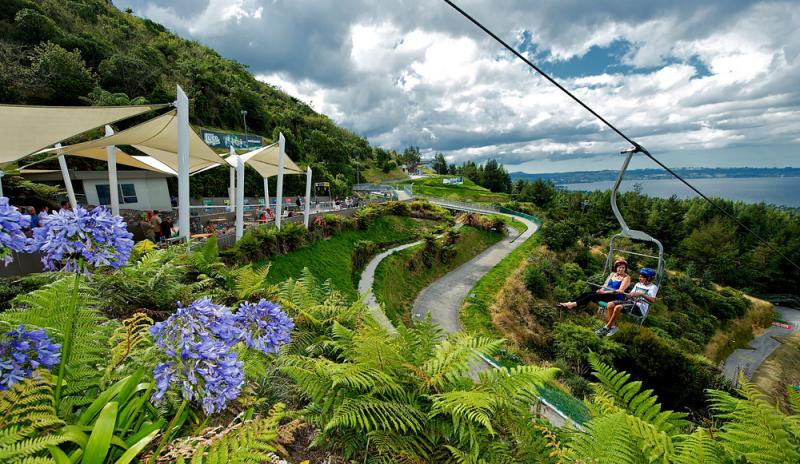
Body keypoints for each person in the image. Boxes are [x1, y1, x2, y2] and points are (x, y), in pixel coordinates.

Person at [596, 267, 659, 337]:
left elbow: (652, 300)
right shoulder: (638, 284)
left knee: (618, 307)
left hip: (639, 307)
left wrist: (641, 294)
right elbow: (630, 294)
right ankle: (613, 327)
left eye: (642, 277)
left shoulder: (653, 287)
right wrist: (626, 293)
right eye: (640, 276)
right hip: (630, 302)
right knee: (610, 304)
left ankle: (606, 327)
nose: (639, 278)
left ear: (648, 278)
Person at [557, 258, 631, 310]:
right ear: (616, 267)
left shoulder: (626, 277)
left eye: (623, 268)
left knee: (591, 296)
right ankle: (570, 302)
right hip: (605, 293)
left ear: (625, 269)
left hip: (615, 296)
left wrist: (604, 292)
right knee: (587, 293)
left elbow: (620, 290)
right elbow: (605, 284)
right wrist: (601, 290)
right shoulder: (612, 274)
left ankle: (572, 305)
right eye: (619, 267)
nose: (621, 269)